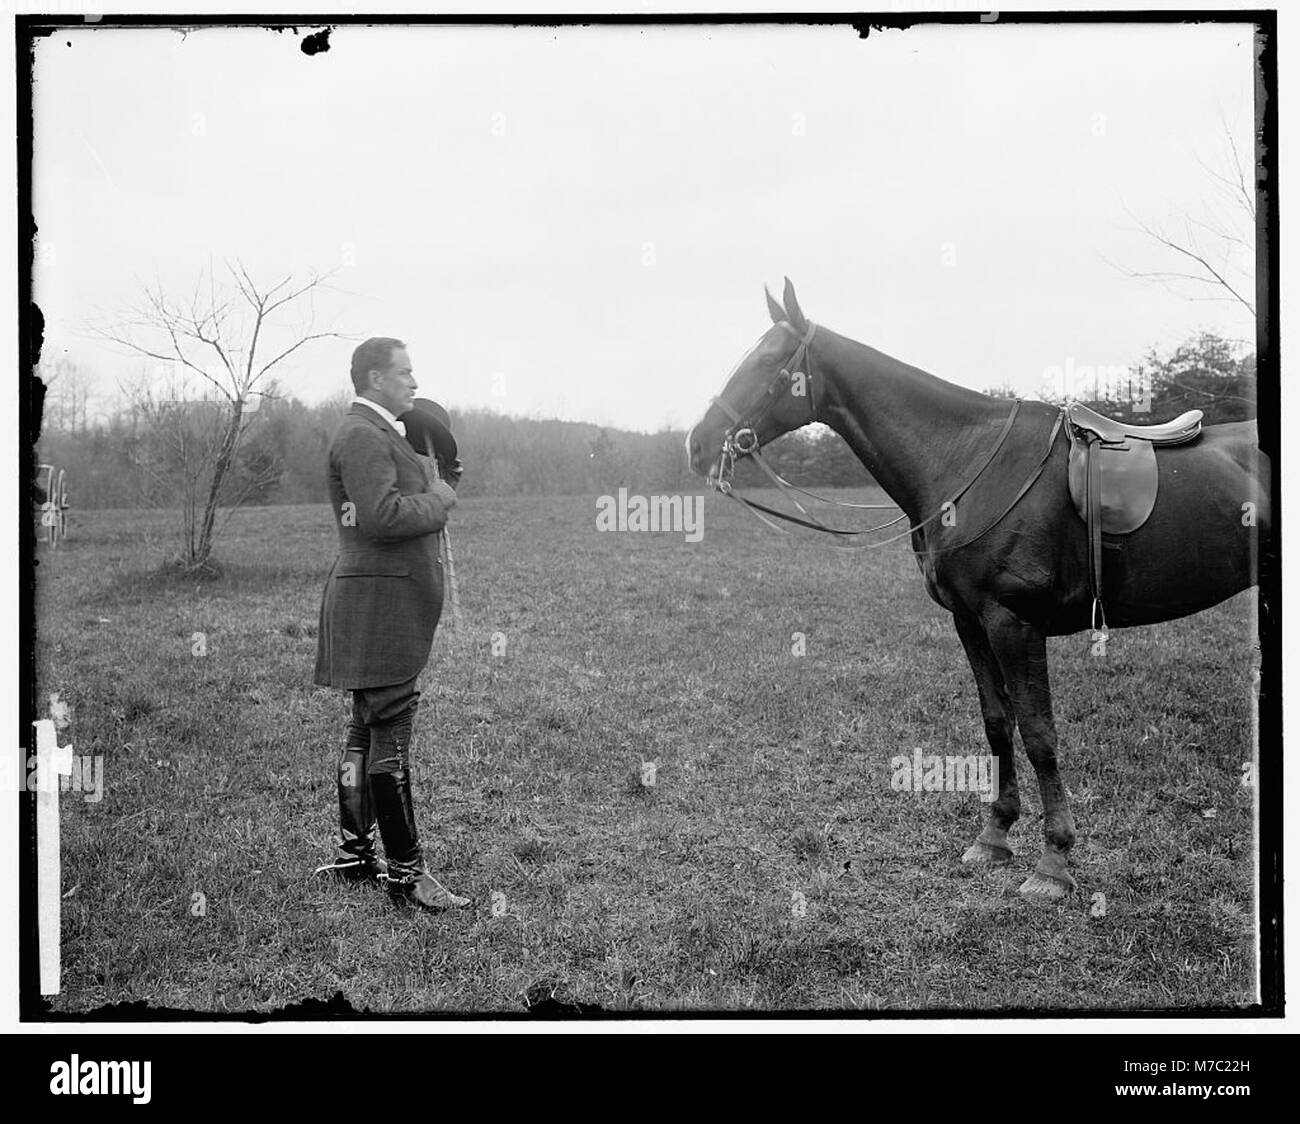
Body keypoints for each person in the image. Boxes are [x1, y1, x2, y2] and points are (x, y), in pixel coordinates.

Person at [313, 337, 469, 911]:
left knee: (366, 728)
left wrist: (436, 484)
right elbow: (381, 517)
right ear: (376, 378)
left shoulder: (380, 433)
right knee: (390, 734)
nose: (413, 381)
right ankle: (407, 875)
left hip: (382, 603)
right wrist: (441, 500)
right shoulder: (361, 435)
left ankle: (357, 856)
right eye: (405, 372)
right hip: (379, 607)